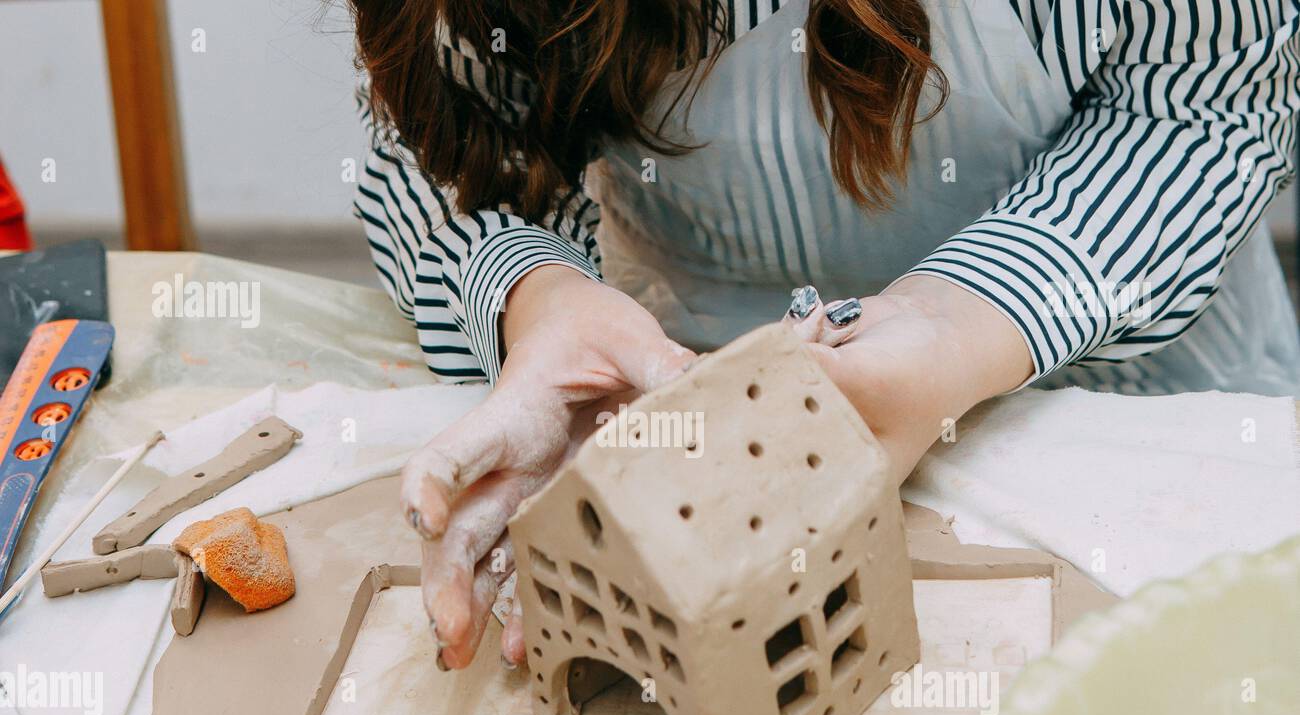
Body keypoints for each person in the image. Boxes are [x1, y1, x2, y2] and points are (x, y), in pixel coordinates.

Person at [348, 1, 1300, 670]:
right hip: (688, 383)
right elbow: (434, 132)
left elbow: (1205, 98)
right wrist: (536, 298)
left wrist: (956, 320)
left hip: (1115, 378)